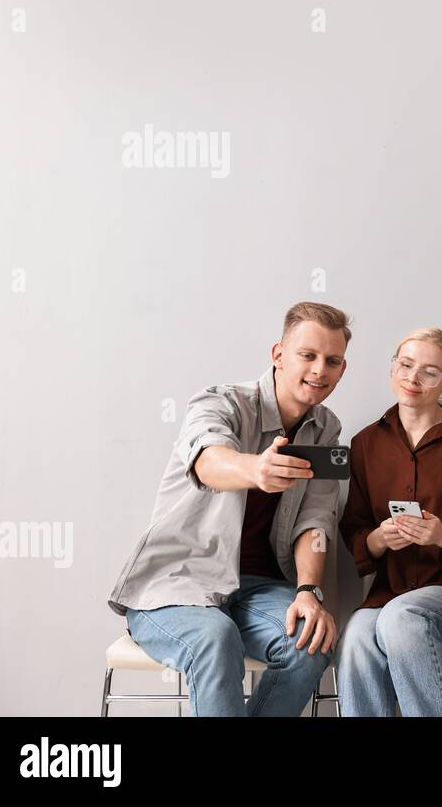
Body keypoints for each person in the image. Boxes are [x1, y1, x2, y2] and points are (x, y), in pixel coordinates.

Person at [108, 302, 350, 716]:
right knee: (215, 638)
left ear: (342, 370)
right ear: (278, 354)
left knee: (310, 643)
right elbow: (207, 459)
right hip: (178, 584)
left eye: (332, 361)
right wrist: (255, 468)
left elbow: (315, 520)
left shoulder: (326, 427)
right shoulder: (220, 401)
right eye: (307, 355)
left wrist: (308, 591)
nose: (319, 370)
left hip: (259, 587)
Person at [338, 328, 442, 716]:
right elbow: (355, 530)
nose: (413, 378)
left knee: (401, 618)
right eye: (405, 364)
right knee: (358, 635)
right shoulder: (365, 443)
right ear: (392, 368)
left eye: (429, 372)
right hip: (393, 590)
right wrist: (379, 540)